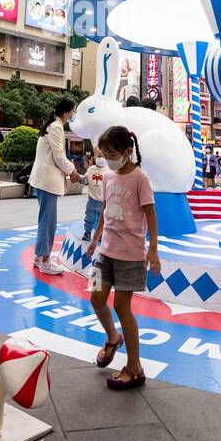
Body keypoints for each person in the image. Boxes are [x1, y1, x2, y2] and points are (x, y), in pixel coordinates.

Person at [85, 125, 160, 390]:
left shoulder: (140, 179)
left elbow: (150, 214)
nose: (108, 157)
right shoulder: (108, 177)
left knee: (121, 306)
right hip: (105, 252)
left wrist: (153, 249)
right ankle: (112, 337)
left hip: (130, 255)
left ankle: (135, 367)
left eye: (112, 152)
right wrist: (94, 239)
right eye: (104, 152)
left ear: (128, 151)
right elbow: (105, 210)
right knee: (95, 297)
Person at [28, 97, 80, 274]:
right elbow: (59, 157)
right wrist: (73, 170)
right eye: (73, 111)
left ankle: (38, 256)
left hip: (44, 180)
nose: (74, 114)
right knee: (48, 222)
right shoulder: (56, 127)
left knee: (45, 220)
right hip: (47, 181)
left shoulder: (51, 124)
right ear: (66, 112)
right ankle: (45, 261)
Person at [81, 152, 106, 242]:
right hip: (92, 200)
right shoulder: (91, 169)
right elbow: (85, 180)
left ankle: (101, 234)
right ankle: (87, 232)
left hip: (103, 201)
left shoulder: (108, 170)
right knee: (89, 217)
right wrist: (78, 178)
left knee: (102, 219)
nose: (101, 158)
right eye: (99, 156)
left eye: (103, 156)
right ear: (94, 157)